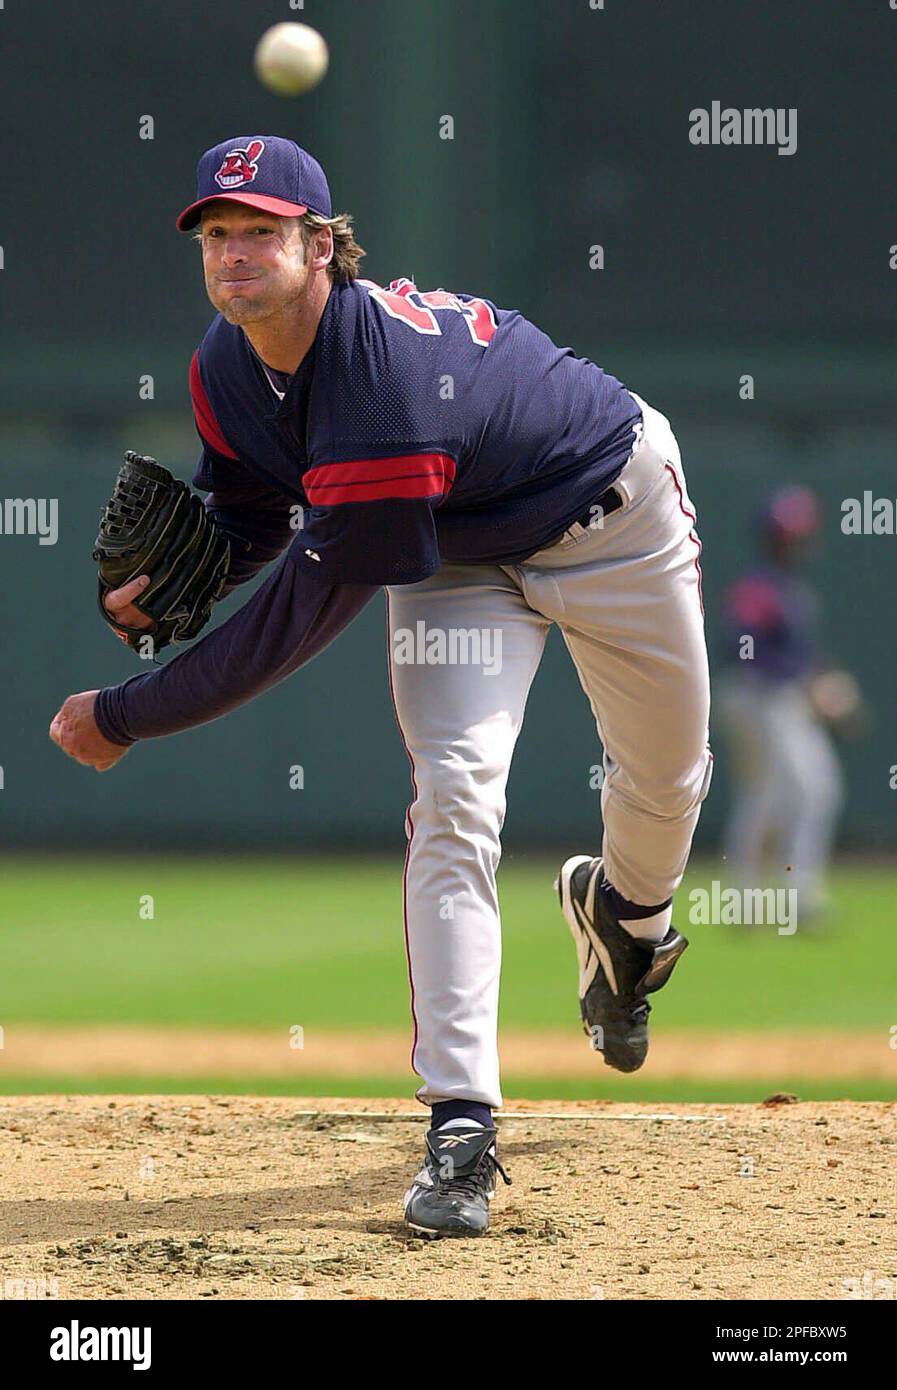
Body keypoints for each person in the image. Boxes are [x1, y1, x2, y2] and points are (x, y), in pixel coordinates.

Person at [49, 135, 712, 1237]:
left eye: (260, 229)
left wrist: (129, 712)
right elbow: (257, 509)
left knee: (665, 779)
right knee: (454, 796)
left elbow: (307, 609)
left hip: (612, 515)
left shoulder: (382, 386)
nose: (233, 252)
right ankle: (462, 1126)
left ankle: (626, 921)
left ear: (321, 246)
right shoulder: (226, 364)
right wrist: (188, 565)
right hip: (452, 551)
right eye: (216, 233)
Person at [717, 487, 856, 924]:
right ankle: (799, 899)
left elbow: (794, 654)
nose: (795, 541)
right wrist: (809, 682)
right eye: (788, 534)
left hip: (768, 698)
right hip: (759, 698)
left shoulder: (786, 588)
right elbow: (740, 648)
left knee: (766, 797)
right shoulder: (760, 586)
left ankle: (746, 904)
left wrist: (817, 677)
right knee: (812, 789)